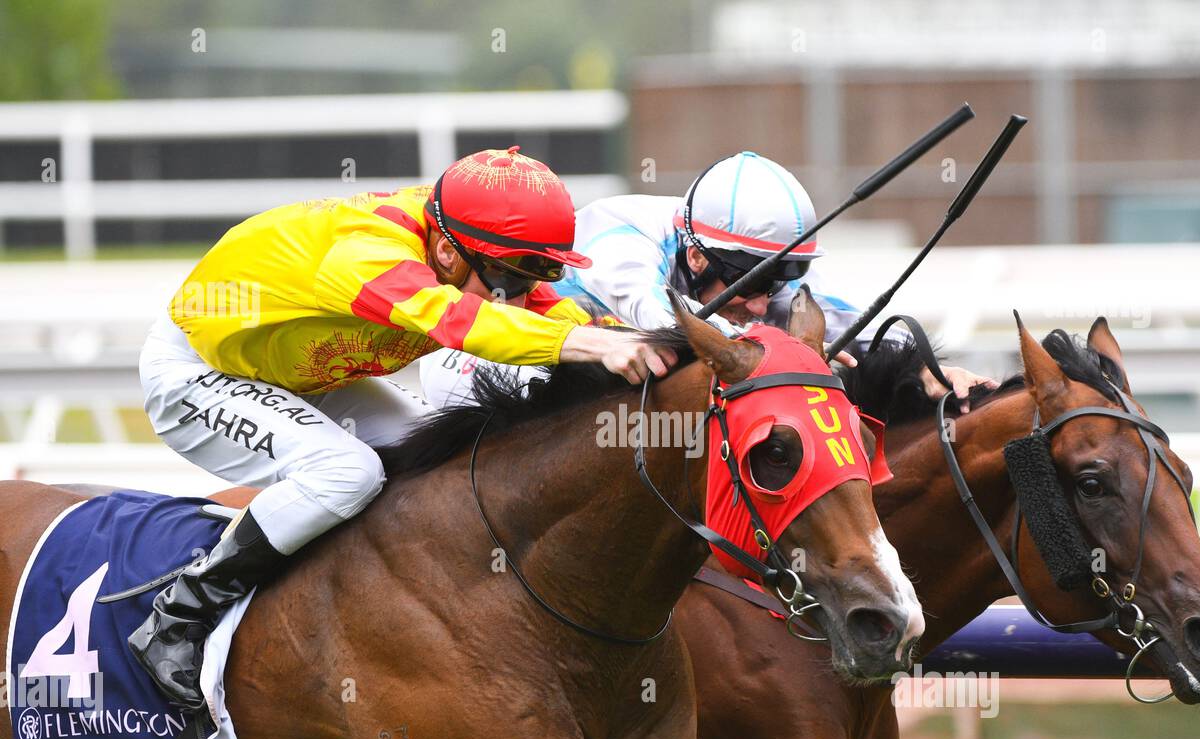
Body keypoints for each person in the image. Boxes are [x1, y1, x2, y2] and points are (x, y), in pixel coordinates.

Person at [131, 146, 676, 708]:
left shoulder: (467, 245)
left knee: (443, 462)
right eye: (511, 276)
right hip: (199, 372)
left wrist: (642, 344)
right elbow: (457, 322)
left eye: (540, 271)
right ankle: (180, 613)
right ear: (446, 250)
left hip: (302, 367)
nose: (519, 293)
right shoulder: (367, 253)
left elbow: (550, 310)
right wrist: (591, 345)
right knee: (349, 472)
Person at [420, 150, 992, 407]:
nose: (764, 299)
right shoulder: (621, 243)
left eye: (782, 278)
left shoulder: (732, 253)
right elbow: (666, 323)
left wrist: (921, 368)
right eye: (752, 283)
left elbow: (829, 314)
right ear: (697, 260)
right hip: (483, 360)